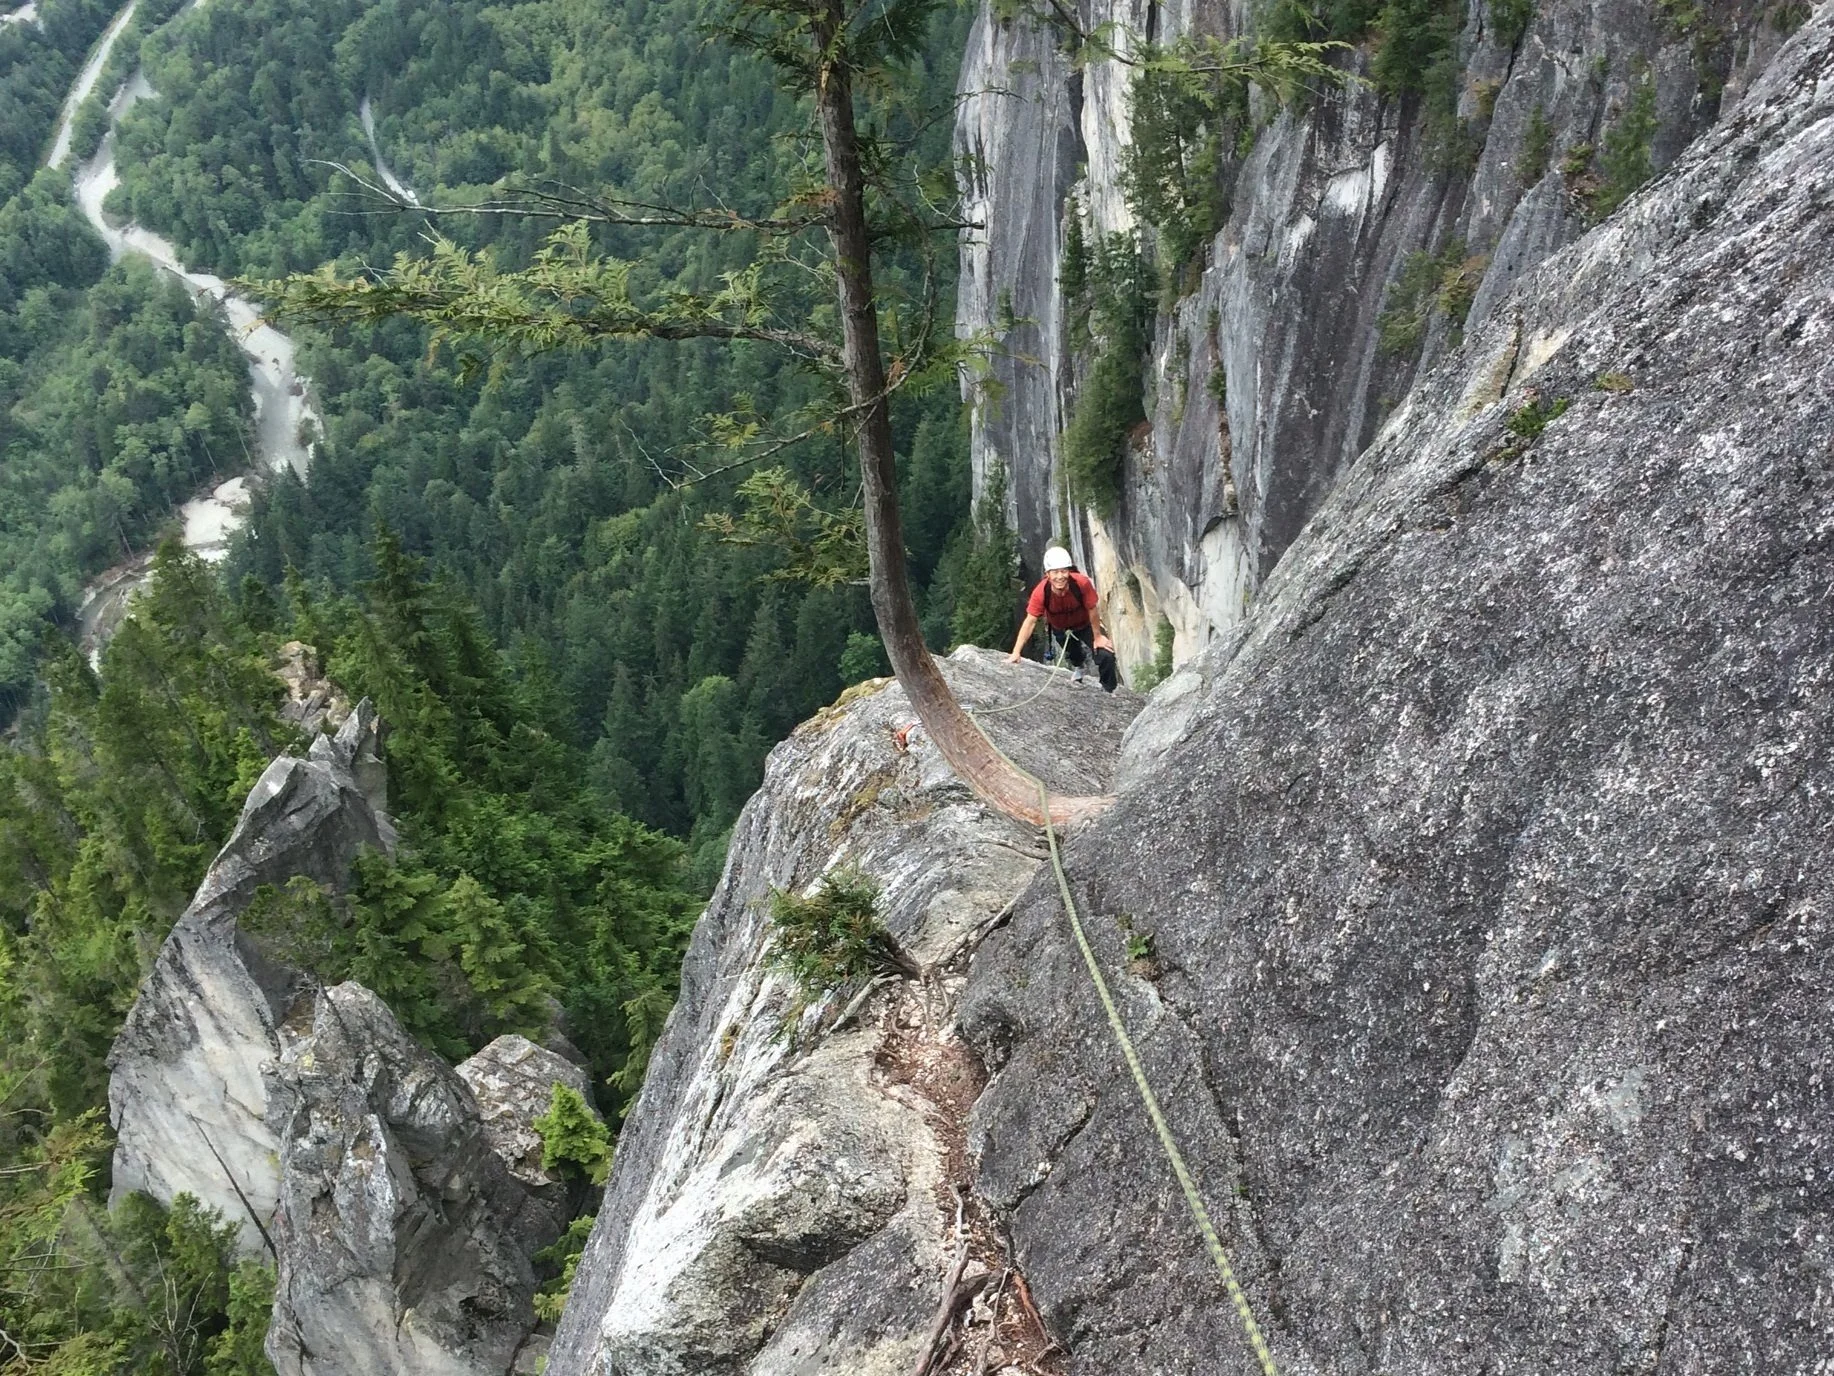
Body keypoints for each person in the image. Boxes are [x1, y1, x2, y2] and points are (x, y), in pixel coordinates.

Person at [1006, 545, 1118, 691]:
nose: (1060, 576)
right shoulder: (1041, 593)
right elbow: (1030, 621)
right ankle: (1079, 666)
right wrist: (1016, 652)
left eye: (1064, 571)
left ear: (1069, 571)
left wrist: (1097, 636)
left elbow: (1092, 609)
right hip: (1061, 629)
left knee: (1106, 655)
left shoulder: (1081, 584)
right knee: (1073, 653)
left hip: (1085, 625)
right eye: (1055, 572)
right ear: (1047, 574)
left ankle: (1108, 688)